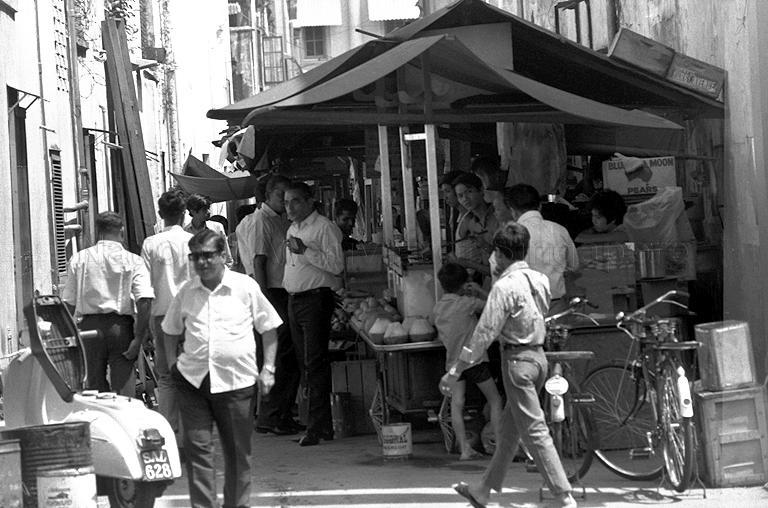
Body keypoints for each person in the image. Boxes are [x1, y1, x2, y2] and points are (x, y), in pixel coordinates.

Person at [441, 222, 577, 508]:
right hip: (537, 357)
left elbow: (484, 332)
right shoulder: (539, 279)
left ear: (501, 254)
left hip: (517, 362)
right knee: (508, 429)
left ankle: (563, 494)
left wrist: (455, 369)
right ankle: (483, 491)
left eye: (494, 254)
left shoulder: (504, 286)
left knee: (536, 430)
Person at [162, 229, 282, 508]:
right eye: (196, 257)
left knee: (238, 454)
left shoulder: (245, 287)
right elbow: (169, 330)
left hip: (236, 383)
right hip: (193, 382)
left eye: (207, 256)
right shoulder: (186, 292)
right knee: (198, 451)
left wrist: (269, 368)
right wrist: (171, 364)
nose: (202, 263)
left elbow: (269, 328)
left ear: (222, 256)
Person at [61, 211, 154, 396]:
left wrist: (65, 333)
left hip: (88, 328)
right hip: (119, 328)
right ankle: (124, 420)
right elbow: (144, 299)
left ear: (98, 231)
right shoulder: (133, 260)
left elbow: (69, 302)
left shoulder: (80, 259)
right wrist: (139, 337)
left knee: (93, 387)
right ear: (122, 231)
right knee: (124, 387)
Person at [282, 181, 344, 446]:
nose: (290, 207)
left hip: (316, 299)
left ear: (309, 201)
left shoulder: (324, 228)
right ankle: (321, 424)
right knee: (305, 362)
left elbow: (336, 265)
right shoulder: (292, 228)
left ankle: (318, 427)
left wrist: (305, 251)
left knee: (315, 362)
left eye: (295, 201)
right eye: (285, 202)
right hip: (295, 300)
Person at [140, 189, 193, 448]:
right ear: (184, 214)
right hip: (190, 317)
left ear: (160, 214)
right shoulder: (194, 241)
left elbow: (145, 286)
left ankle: (169, 436)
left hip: (161, 316)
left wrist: (146, 322)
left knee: (166, 377)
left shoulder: (151, 244)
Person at [433, 263, 502, 461]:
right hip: (475, 360)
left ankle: (464, 450)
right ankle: (499, 449)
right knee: (495, 400)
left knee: (457, 405)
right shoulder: (468, 303)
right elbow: (495, 305)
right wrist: (479, 290)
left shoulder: (437, 309)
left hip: (453, 364)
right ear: (464, 284)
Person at [252, 175, 303, 436]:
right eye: (280, 196)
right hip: (272, 294)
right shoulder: (261, 221)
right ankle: (272, 417)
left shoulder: (281, 219)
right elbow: (258, 262)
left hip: (284, 291)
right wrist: (265, 302)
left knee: (289, 357)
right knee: (279, 357)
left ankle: (280, 414)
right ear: (269, 195)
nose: (285, 201)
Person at [499, 184, 578, 313]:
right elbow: (574, 266)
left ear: (512, 210)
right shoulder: (559, 230)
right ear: (540, 206)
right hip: (557, 306)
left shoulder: (508, 235)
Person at [452, 173, 498, 278]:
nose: (465, 199)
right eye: (460, 196)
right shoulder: (472, 223)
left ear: (481, 190)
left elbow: (506, 264)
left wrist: (469, 264)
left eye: (469, 192)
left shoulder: (497, 217)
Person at [184, 193, 233, 267]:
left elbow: (227, 256)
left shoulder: (217, 228)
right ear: (193, 211)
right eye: (204, 210)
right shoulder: (185, 232)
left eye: (208, 208)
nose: (209, 212)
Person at [440, 170, 467, 251]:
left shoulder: (470, 219)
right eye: (443, 192)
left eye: (448, 191)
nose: (445, 197)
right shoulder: (458, 215)